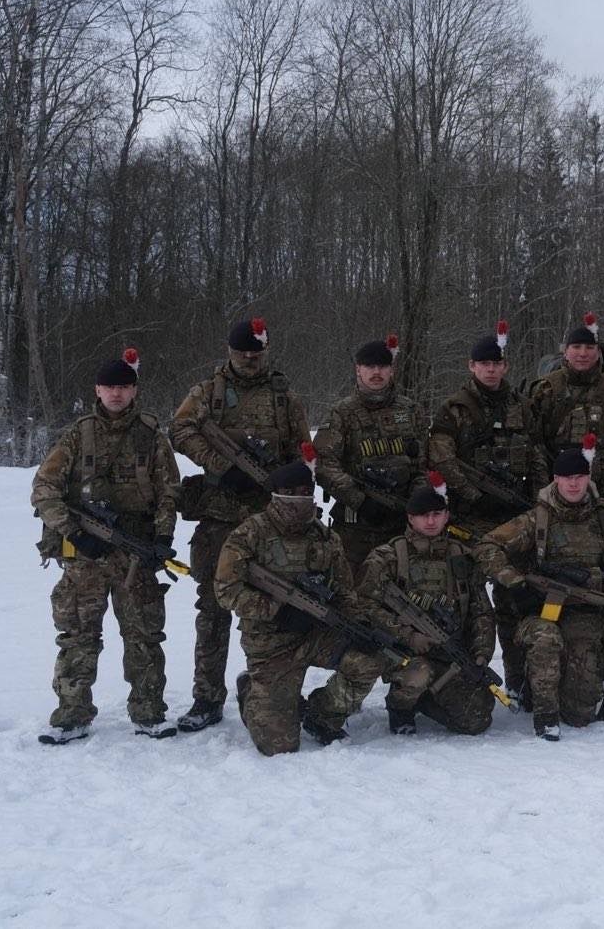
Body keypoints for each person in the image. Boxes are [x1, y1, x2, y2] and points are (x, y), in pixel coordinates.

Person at [32, 349, 181, 744]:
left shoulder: (151, 435)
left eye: (124, 387)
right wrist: (73, 532)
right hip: (84, 557)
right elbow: (44, 491)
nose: (116, 394)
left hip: (135, 552)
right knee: (78, 637)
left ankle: (149, 713)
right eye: (109, 387)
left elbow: (169, 492)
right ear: (97, 390)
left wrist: (163, 538)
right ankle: (71, 715)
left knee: (144, 637)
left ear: (134, 390)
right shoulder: (77, 435)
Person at [169, 316, 311, 733]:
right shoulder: (209, 392)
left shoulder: (284, 396)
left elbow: (302, 452)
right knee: (213, 609)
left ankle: (271, 690)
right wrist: (219, 465)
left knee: (274, 609)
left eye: (256, 354)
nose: (249, 360)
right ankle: (206, 697)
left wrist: (286, 484)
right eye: (241, 354)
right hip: (218, 515)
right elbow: (179, 429)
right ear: (229, 352)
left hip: (269, 521)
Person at [213, 451, 386, 755]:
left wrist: (359, 625)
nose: (299, 499)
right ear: (276, 495)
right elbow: (226, 590)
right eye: (290, 494)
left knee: (367, 662)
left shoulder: (326, 538)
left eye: (306, 493)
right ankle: (250, 691)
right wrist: (275, 611)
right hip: (270, 642)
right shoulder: (249, 534)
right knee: (278, 745)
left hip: (317, 634)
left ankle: (320, 715)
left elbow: (345, 591)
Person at [475, 437, 604, 740]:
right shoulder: (536, 519)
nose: (574, 484)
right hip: (539, 611)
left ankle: (559, 689)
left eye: (579, 477)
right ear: (556, 479)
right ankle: (545, 714)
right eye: (567, 478)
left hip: (585, 613)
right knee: (546, 638)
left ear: (588, 478)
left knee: (580, 714)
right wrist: (515, 582)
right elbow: (487, 547)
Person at [428, 322, 535, 702]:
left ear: (505, 366)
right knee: (467, 600)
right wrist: (473, 494)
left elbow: (535, 454)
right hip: (468, 520)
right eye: (483, 363)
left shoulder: (521, 405)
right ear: (471, 366)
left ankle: (520, 680)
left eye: (497, 363)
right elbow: (441, 457)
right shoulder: (454, 408)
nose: (491, 369)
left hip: (514, 520)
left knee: (514, 599)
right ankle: (464, 680)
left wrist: (535, 502)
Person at [362, 472, 496, 736]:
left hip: (449, 651)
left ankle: (425, 700)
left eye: (437, 514)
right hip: (402, 653)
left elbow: (481, 611)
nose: (431, 521)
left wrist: (481, 651)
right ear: (411, 518)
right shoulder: (387, 557)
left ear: (447, 516)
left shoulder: (461, 557)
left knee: (477, 719)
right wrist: (408, 635)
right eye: (424, 515)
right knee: (418, 675)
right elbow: (365, 606)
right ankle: (400, 707)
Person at [311, 334, 430, 570]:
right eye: (370, 366)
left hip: (403, 526)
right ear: (358, 369)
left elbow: (424, 465)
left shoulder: (411, 410)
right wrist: (361, 501)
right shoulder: (341, 413)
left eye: (382, 366)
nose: (376, 372)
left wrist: (416, 505)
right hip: (356, 528)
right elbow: (324, 464)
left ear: (391, 370)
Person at [525, 312, 604, 516]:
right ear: (566, 352)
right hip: (554, 489)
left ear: (598, 353)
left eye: (589, 348)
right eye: (577, 347)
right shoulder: (545, 389)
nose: (583, 353)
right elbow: (534, 444)